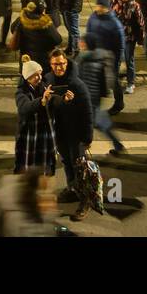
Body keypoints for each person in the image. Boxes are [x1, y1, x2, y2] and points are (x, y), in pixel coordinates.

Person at [43, 47, 95, 219]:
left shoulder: (76, 84)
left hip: (76, 134)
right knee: (67, 162)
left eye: (63, 63)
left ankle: (85, 200)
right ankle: (72, 188)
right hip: (60, 132)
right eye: (56, 64)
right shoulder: (48, 81)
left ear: (67, 62)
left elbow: (87, 111)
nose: (60, 67)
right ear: (51, 65)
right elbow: (48, 107)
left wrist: (87, 138)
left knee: (80, 167)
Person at [14, 57, 57, 176]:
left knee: (45, 169)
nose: (39, 78)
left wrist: (64, 99)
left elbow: (54, 105)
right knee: (28, 171)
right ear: (27, 78)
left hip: (45, 136)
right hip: (29, 137)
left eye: (40, 74)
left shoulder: (44, 87)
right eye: (35, 75)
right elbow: (25, 108)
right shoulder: (21, 92)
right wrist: (42, 101)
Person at [111, 0, 145, 94]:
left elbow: (140, 22)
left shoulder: (135, 5)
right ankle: (114, 83)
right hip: (116, 37)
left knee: (129, 59)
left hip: (129, 38)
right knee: (116, 61)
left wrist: (141, 38)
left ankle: (131, 83)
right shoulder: (113, 3)